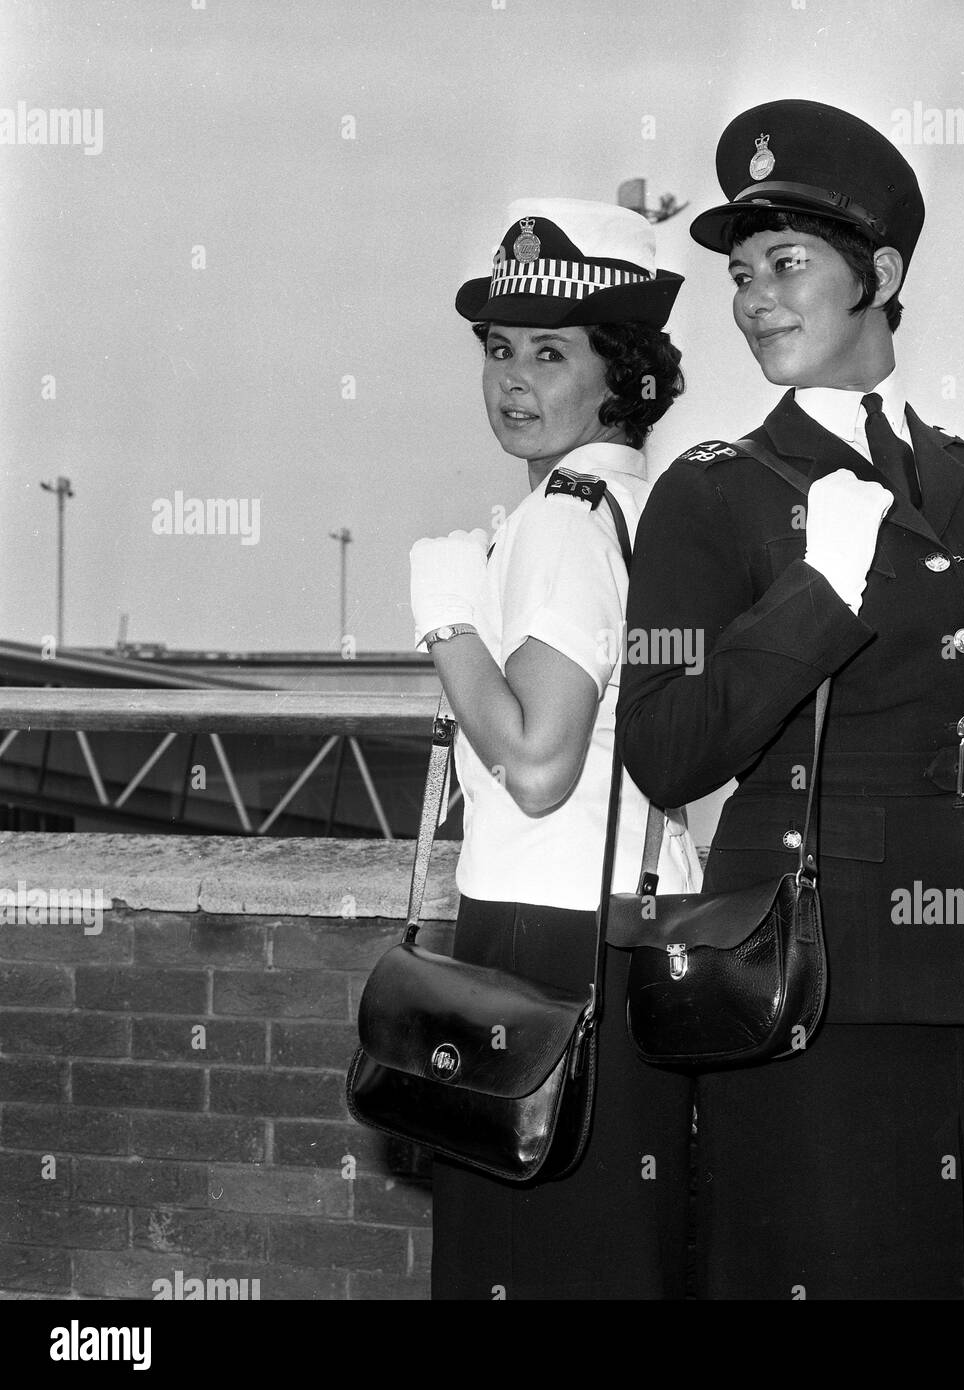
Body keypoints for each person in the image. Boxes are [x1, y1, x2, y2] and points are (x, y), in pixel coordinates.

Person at [616, 100, 964, 1299]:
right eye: (738, 272)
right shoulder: (710, 496)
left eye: (785, 263)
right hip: (817, 986)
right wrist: (817, 587)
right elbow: (664, 749)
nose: (753, 297)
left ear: (877, 273)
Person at [409, 197, 699, 1299]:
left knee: (523, 1261)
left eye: (548, 350)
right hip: (628, 929)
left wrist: (445, 615)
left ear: (620, 371)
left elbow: (535, 764)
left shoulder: (563, 520)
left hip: (540, 937)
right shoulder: (643, 506)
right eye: (496, 348)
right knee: (613, 1255)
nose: (511, 378)